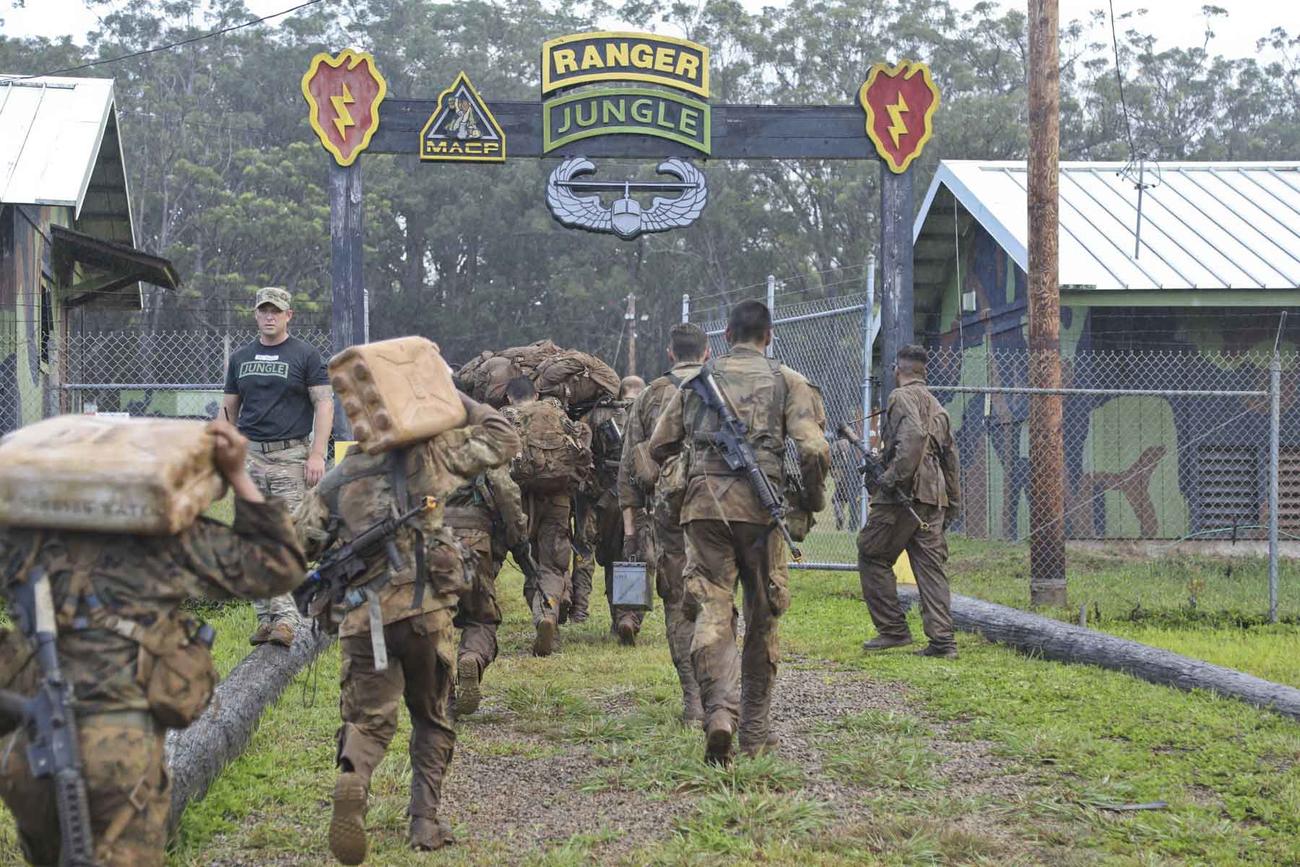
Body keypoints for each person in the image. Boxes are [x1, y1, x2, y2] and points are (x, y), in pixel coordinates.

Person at [0, 419, 307, 867]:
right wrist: (239, 475)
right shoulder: (166, 540)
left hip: (29, 747)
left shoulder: (21, 538)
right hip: (120, 750)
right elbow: (278, 566)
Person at [295, 390, 518, 861]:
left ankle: (353, 781)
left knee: (369, 722)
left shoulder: (337, 479)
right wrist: (451, 396)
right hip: (425, 615)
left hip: (362, 620)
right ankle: (424, 822)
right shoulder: (430, 459)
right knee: (433, 716)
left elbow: (299, 543)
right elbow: (503, 438)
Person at [649, 301, 828, 764]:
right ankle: (753, 730)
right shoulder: (788, 381)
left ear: (726, 334)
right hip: (762, 512)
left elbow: (657, 445)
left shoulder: (695, 382)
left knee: (712, 608)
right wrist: (810, 501)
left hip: (704, 508)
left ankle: (719, 714)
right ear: (769, 336)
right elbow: (813, 449)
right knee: (763, 615)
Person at [222, 286, 333, 647]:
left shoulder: (305, 355)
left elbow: (324, 405)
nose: (269, 316)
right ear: (256, 314)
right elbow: (228, 409)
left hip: (291, 457)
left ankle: (286, 619)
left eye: (276, 310)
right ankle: (266, 618)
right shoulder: (241, 358)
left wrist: (317, 453)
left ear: (289, 315)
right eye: (263, 310)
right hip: (251, 457)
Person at [618, 323, 709, 723]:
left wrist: (630, 528)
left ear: (670, 354)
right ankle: (719, 694)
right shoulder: (721, 386)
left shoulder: (652, 394)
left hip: (669, 513)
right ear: (707, 353)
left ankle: (693, 698)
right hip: (720, 511)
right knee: (718, 599)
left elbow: (629, 464)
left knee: (677, 601)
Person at [857, 344, 962, 658]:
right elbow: (951, 460)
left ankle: (893, 630)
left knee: (871, 554)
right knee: (930, 569)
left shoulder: (899, 397)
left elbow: (914, 438)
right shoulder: (938, 407)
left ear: (896, 371)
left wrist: (889, 480)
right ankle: (943, 642)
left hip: (904, 494)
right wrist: (952, 503)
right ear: (923, 372)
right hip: (935, 497)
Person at [500, 376, 592, 656]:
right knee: (552, 565)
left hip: (520, 499)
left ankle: (542, 614)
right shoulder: (556, 413)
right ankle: (548, 616)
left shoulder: (504, 418)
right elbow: (582, 452)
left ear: (508, 398)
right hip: (557, 497)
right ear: (537, 394)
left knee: (530, 561)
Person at [444, 464, 528, 716]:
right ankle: (472, 657)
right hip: (474, 541)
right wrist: (518, 539)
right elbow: (505, 490)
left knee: (435, 624)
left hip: (430, 544)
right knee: (481, 618)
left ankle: (442, 698)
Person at [571, 375, 644, 642]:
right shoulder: (646, 413)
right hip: (632, 499)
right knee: (629, 556)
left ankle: (579, 608)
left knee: (586, 551)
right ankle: (625, 617)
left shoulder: (594, 414)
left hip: (597, 498)